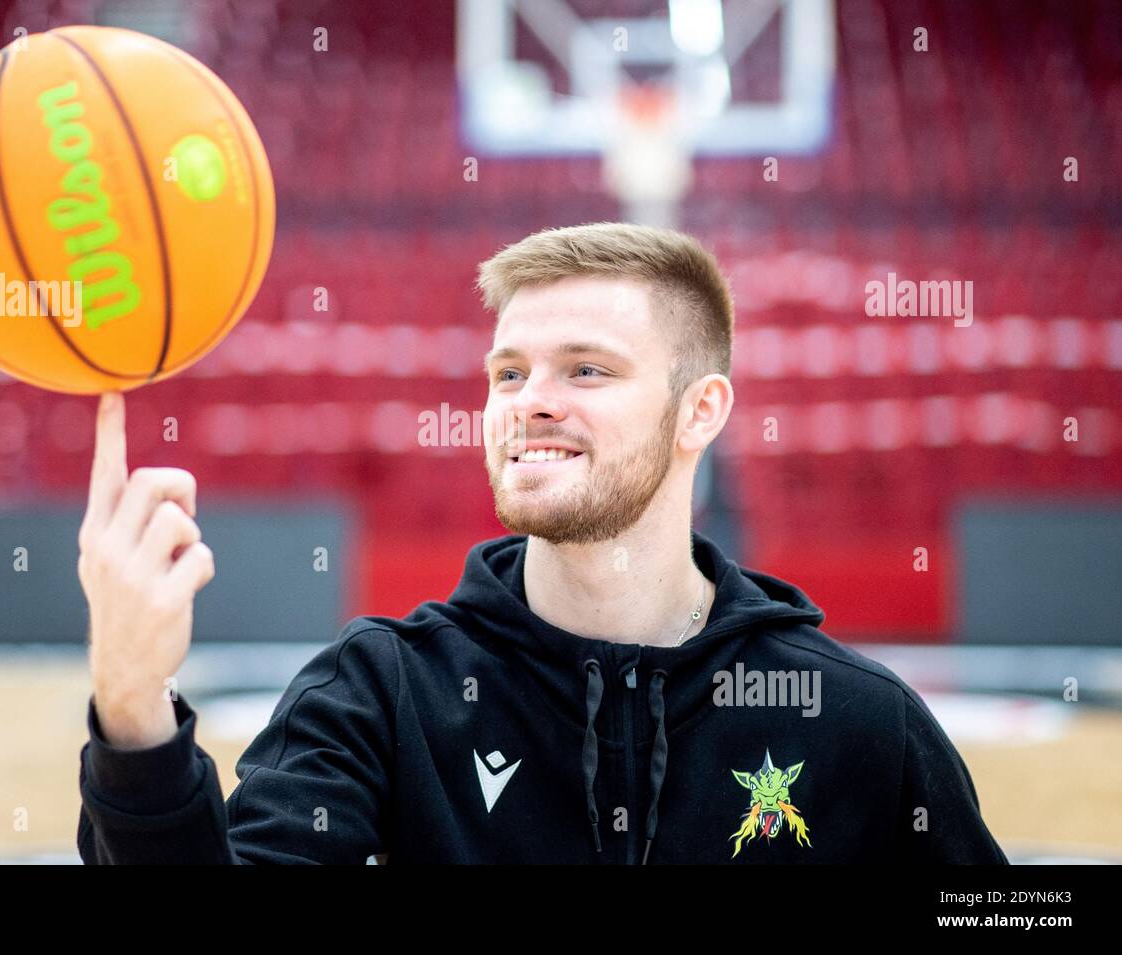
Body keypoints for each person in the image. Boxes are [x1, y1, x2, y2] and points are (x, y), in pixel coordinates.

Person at [75, 222, 1008, 864]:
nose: (529, 400)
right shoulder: (377, 699)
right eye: (508, 371)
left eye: (587, 369)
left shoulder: (856, 720)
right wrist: (130, 707)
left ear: (701, 411)